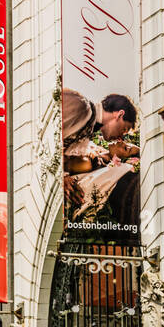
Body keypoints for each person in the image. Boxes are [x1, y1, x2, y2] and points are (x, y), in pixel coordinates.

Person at [62, 89, 140, 230]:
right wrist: (62, 176)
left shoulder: (88, 129)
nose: (121, 137)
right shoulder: (81, 106)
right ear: (119, 114)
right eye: (124, 129)